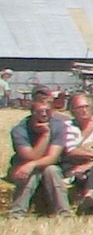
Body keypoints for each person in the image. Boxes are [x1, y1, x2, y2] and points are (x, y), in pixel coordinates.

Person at [8, 87, 73, 217]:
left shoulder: (59, 126)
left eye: (47, 111)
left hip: (46, 166)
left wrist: (32, 164)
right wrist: (45, 135)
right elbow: (30, 157)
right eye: (40, 111)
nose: (44, 114)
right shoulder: (19, 130)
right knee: (30, 174)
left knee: (52, 170)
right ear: (32, 112)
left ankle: (65, 214)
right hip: (22, 166)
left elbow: (52, 158)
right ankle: (16, 214)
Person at [60, 92, 93, 215]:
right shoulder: (68, 126)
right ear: (72, 110)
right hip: (74, 165)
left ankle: (89, 194)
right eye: (79, 107)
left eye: (87, 106)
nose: (84, 110)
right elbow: (71, 150)